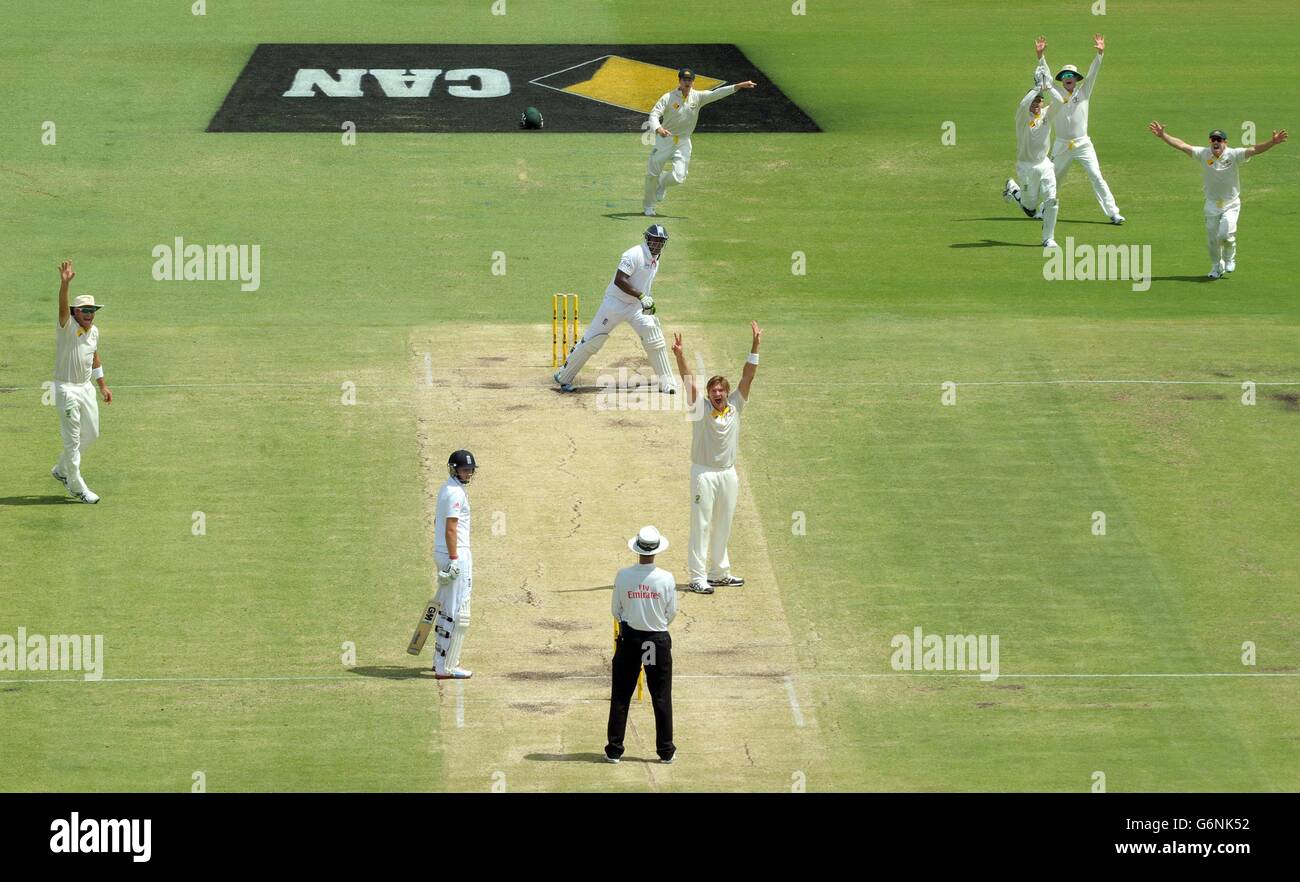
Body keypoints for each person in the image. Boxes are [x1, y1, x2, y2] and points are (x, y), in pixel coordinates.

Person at [671, 322, 761, 595]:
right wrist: (679, 355)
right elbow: (688, 381)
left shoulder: (736, 405)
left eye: (722, 390)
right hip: (704, 473)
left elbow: (748, 377)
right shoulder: (700, 407)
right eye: (714, 391)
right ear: (709, 394)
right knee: (701, 523)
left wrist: (755, 345)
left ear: (727, 392)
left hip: (728, 473)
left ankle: (719, 572)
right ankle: (698, 576)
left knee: (724, 522)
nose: (718, 394)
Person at [1148, 122, 1287, 278]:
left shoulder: (1234, 154)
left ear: (1225, 143)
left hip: (1231, 203)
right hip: (1211, 204)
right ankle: (1216, 267)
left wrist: (1272, 143)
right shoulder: (1203, 154)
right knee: (1213, 241)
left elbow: (1254, 150)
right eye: (1213, 139)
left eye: (1219, 139)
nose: (1215, 142)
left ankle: (1229, 258)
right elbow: (1182, 145)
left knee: (1225, 235)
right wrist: (1163, 136)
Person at [553, 226, 677, 394]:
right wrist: (642, 296)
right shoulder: (633, 254)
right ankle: (564, 376)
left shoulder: (656, 259)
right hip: (614, 304)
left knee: (653, 333)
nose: (657, 244)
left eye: (661, 241)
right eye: (654, 240)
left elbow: (643, 283)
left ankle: (667, 383)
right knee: (592, 341)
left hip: (635, 307)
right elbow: (620, 280)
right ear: (647, 239)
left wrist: (647, 300)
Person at [605, 525, 677, 764]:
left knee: (621, 695)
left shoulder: (623, 576)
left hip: (631, 640)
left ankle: (614, 750)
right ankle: (666, 751)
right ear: (656, 550)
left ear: (637, 549)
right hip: (656, 641)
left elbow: (616, 610)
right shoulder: (666, 578)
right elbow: (671, 612)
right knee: (661, 696)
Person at [1035, 34, 1125, 224]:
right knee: (1054, 179)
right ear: (1062, 80)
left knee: (1096, 176)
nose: (1068, 78)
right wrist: (1040, 56)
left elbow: (1093, 73)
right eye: (1065, 76)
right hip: (1061, 145)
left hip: (1083, 144)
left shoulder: (1084, 91)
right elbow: (1047, 77)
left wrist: (1100, 54)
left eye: (1071, 76)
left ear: (1076, 79)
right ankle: (1043, 209)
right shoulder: (1056, 92)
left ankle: (1113, 213)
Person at [642, 68, 757, 217]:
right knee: (652, 175)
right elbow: (654, 114)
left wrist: (738, 86)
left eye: (690, 80)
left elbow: (716, 94)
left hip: (683, 142)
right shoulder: (668, 97)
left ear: (693, 82)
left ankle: (662, 182)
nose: (687, 82)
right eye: (684, 80)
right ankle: (648, 207)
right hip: (665, 140)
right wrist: (658, 128)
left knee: (679, 177)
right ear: (680, 81)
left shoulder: (698, 97)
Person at [51, 260, 112, 504]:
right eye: (85, 310)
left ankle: (61, 470)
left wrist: (102, 385)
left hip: (86, 387)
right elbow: (62, 308)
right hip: (66, 388)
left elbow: (94, 357)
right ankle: (76, 486)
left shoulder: (94, 331)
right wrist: (64, 285)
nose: (89, 314)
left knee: (92, 434)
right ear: (76, 312)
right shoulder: (66, 326)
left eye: (92, 310)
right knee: (72, 439)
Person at [1002, 66, 1064, 248]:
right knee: (1030, 208)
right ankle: (1013, 189)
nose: (1036, 105)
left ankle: (1048, 238)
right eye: (1034, 102)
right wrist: (1037, 88)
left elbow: (1060, 102)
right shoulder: (1021, 117)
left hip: (1044, 164)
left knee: (1051, 199)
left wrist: (1049, 86)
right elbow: (1022, 105)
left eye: (1039, 102)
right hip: (1026, 166)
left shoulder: (1046, 114)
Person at [432, 450, 477, 679]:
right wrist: (452, 560)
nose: (467, 473)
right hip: (455, 554)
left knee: (449, 607)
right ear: (453, 469)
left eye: (470, 470)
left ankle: (440, 660)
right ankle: (446, 666)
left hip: (448, 552)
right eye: (464, 469)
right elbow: (451, 527)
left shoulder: (447, 488)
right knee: (455, 610)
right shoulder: (455, 494)